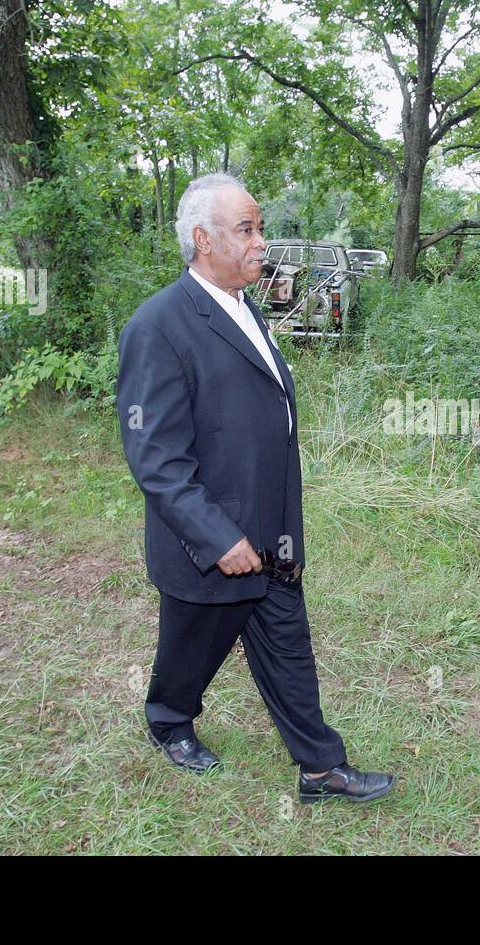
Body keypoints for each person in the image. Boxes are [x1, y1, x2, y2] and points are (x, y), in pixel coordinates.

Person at [116, 171, 394, 804]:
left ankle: (321, 768)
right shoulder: (159, 326)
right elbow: (155, 456)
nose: (261, 242)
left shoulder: (245, 309)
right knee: (191, 646)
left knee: (287, 643)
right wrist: (216, 536)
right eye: (247, 229)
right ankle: (168, 722)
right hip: (213, 538)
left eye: (260, 227)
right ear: (203, 240)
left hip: (271, 529)